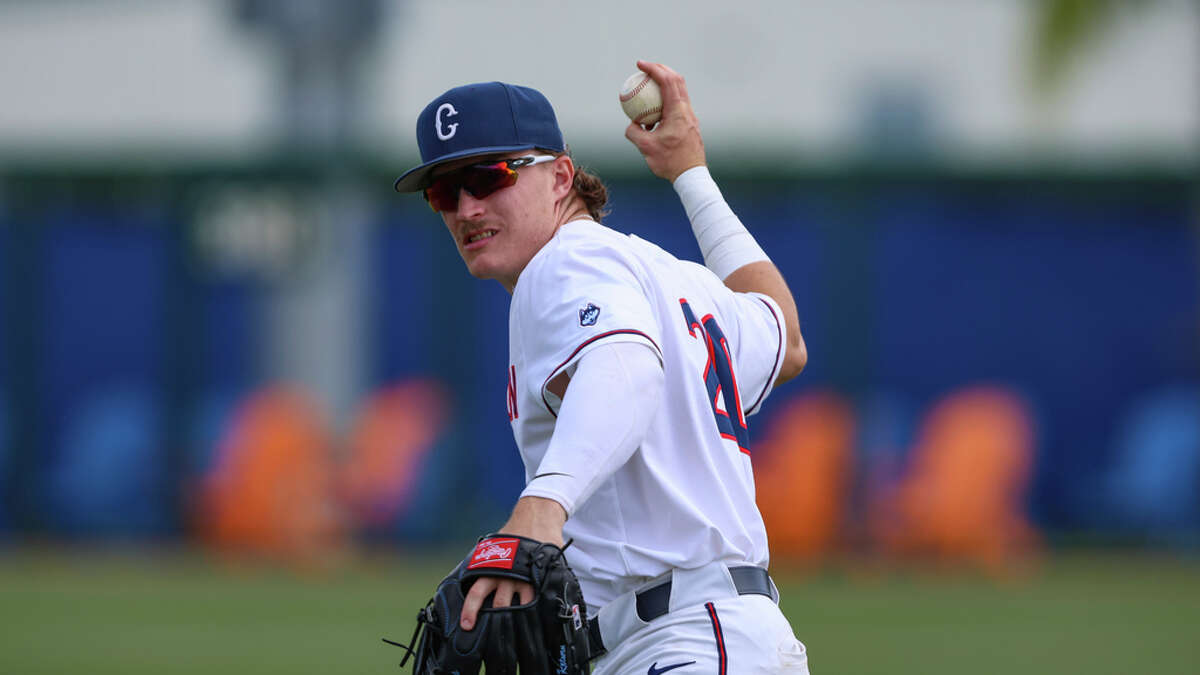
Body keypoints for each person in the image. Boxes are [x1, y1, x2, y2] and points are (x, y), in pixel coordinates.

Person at [393, 61, 810, 674]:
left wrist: (541, 508)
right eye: (444, 192)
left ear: (561, 177)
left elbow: (626, 366)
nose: (467, 207)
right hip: (713, 634)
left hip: (683, 641)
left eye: (488, 177)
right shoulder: (678, 281)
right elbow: (786, 338)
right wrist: (691, 174)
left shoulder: (563, 262)